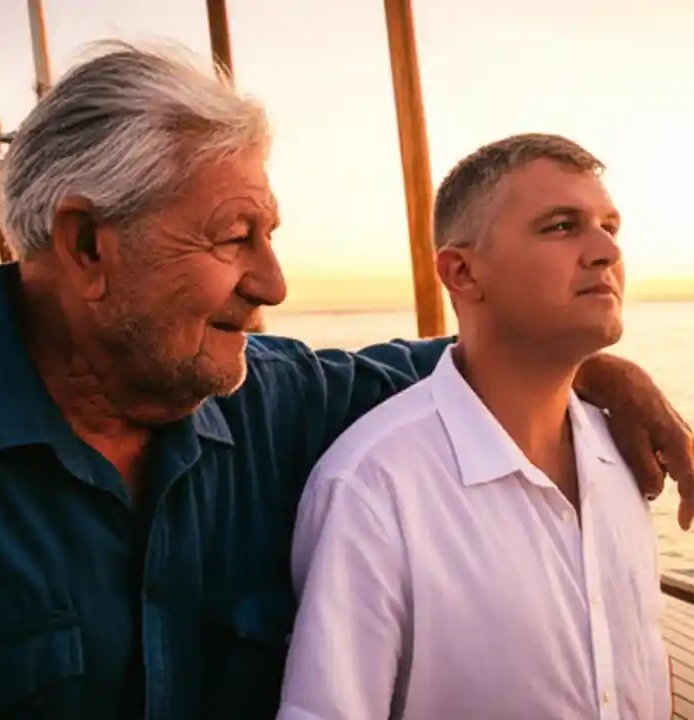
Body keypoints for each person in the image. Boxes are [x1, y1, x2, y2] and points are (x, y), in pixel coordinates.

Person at [0, 43, 694, 719]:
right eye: (234, 239)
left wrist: (603, 371)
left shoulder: (271, 403)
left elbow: (459, 368)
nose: (270, 283)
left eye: (269, 236)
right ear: (87, 244)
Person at [279, 134, 673, 719]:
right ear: (461, 272)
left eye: (609, 228)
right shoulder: (374, 486)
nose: (604, 251)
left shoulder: (617, 456)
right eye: (562, 226)